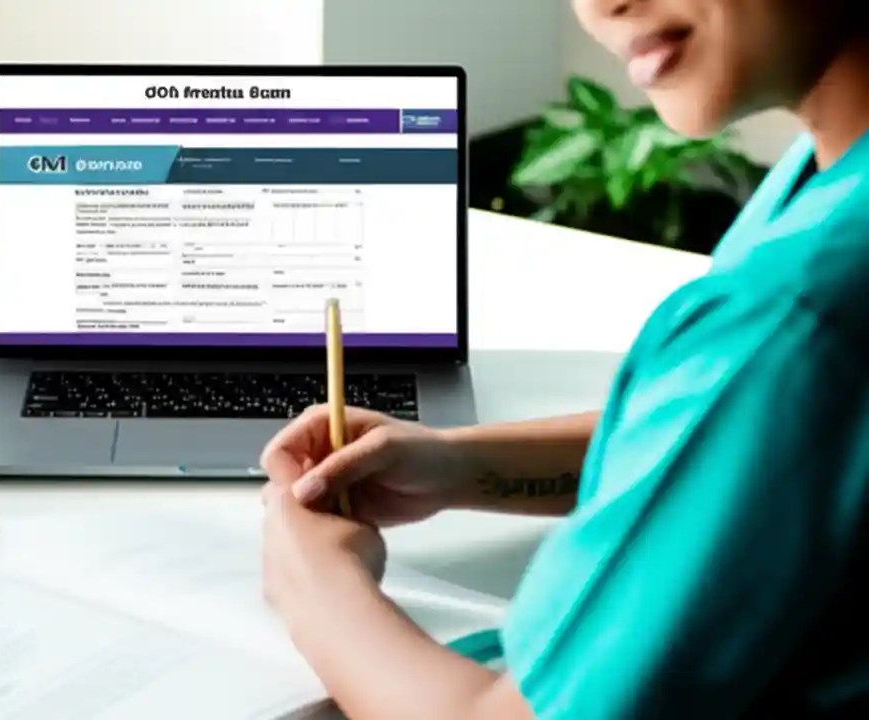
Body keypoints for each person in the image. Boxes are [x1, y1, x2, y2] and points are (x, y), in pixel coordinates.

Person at [258, 0, 869, 717]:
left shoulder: (794, 307)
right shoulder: (829, 175)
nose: (599, 8)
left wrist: (316, 588)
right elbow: (768, 441)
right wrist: (463, 465)